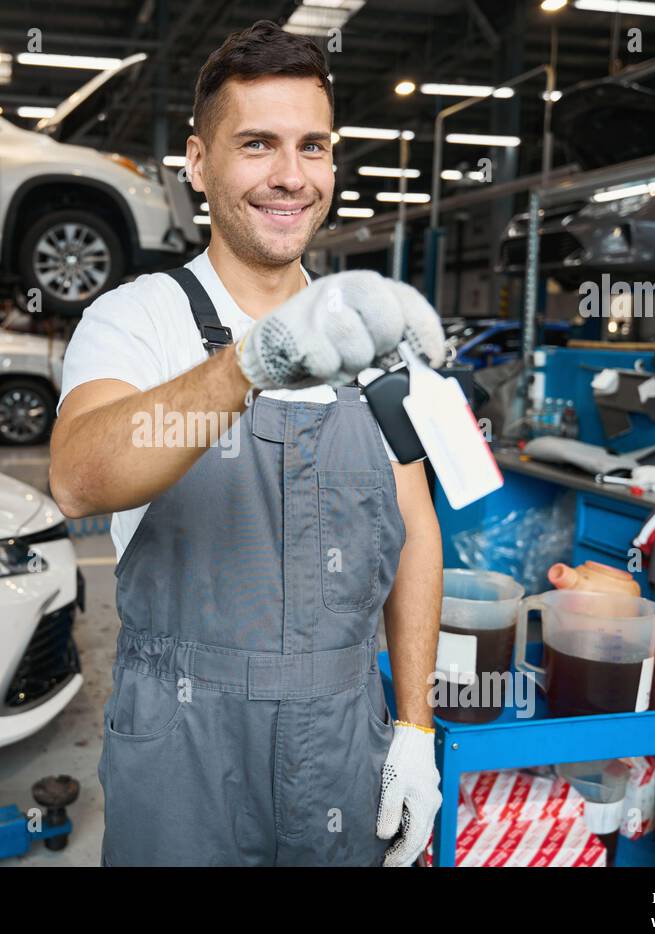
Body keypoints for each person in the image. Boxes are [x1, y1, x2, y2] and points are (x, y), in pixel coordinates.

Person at [50, 19, 443, 866]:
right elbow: (80, 476)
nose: (290, 176)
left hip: (345, 746)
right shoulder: (138, 318)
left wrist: (414, 723)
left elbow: (414, 526)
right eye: (257, 144)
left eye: (313, 147)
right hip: (185, 754)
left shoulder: (376, 329)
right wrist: (252, 361)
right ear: (198, 161)